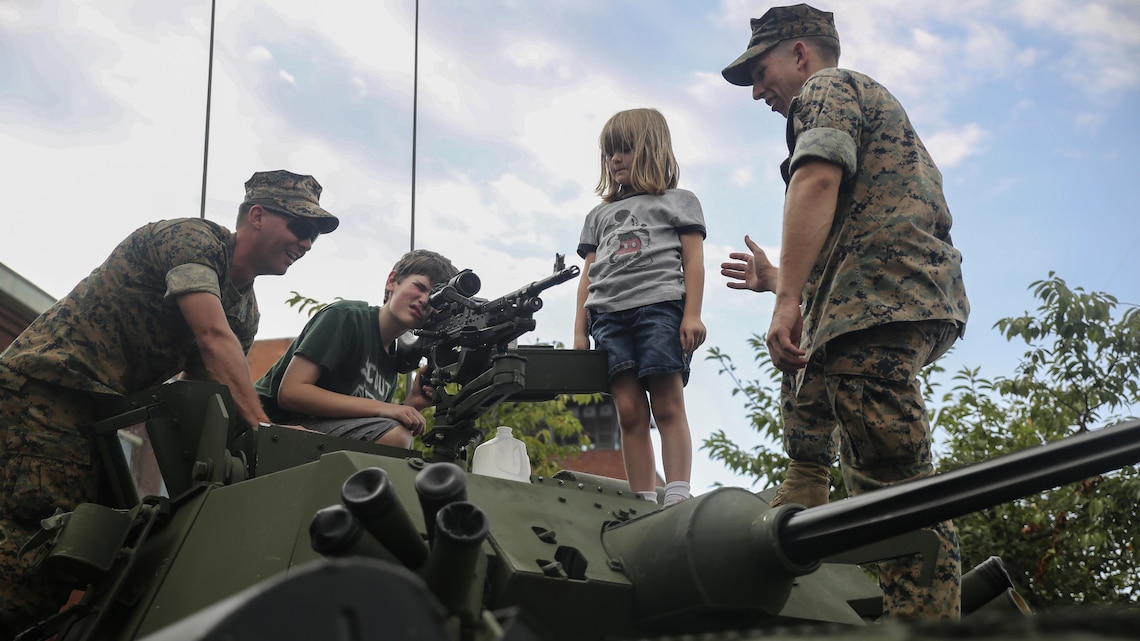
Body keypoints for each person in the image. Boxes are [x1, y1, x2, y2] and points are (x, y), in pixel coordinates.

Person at [0, 169, 339, 635]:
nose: (306, 243)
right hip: (45, 388)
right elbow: (211, 337)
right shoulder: (190, 239)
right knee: (32, 541)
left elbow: (201, 402)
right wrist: (265, 429)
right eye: (299, 227)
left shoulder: (245, 311)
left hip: (96, 417)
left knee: (76, 551)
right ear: (257, 216)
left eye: (314, 236)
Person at [720, 3, 970, 621]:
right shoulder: (866, 103)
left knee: (891, 484)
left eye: (760, 71)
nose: (756, 92)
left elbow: (816, 182)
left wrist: (787, 300)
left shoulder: (826, 88)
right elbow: (862, 222)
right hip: (880, 297)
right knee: (811, 370)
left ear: (799, 53)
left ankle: (923, 623)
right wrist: (782, 282)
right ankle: (805, 479)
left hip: (880, 304)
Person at [573, 108, 706, 507]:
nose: (616, 159)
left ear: (652, 149)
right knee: (629, 412)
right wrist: (579, 333)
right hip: (608, 318)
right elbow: (588, 277)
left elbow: (693, 261)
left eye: (626, 150)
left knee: (666, 404)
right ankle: (642, 501)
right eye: (610, 152)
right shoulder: (598, 216)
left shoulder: (679, 201)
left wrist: (692, 314)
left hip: (659, 309)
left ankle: (677, 494)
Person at [255, 249, 458, 448]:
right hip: (261, 427)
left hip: (310, 434)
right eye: (420, 287)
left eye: (434, 298)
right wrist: (385, 408)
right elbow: (291, 392)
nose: (425, 300)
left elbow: (372, 427)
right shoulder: (347, 317)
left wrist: (412, 404)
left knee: (398, 437)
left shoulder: (391, 363)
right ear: (392, 281)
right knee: (397, 436)